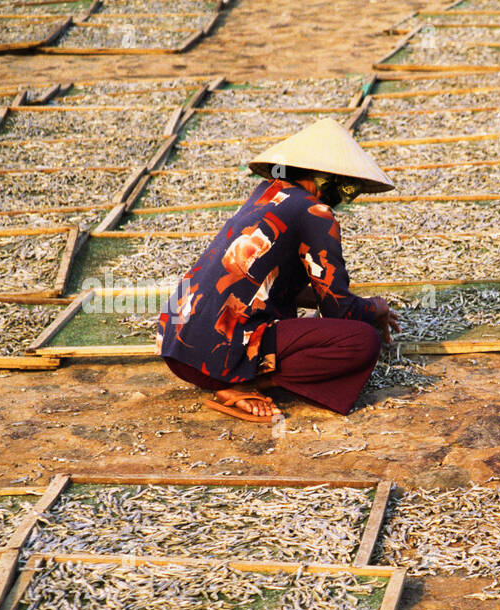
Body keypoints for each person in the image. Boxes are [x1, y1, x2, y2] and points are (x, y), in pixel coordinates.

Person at [156, 119, 401, 423]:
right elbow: (340, 311)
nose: (346, 198)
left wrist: (353, 305)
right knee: (362, 341)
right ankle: (243, 385)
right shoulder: (316, 212)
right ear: (324, 178)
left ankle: (235, 377)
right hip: (218, 356)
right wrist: (375, 307)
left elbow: (273, 285)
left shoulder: (268, 192)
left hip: (178, 348)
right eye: (347, 188)